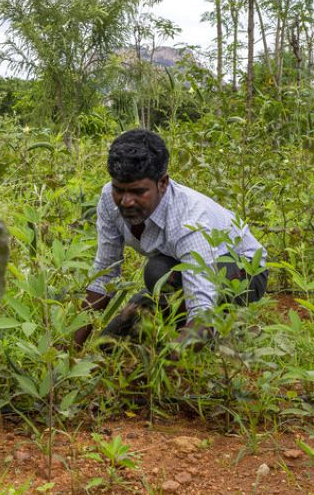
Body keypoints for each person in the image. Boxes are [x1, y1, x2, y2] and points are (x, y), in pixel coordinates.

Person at [72, 129, 268, 347]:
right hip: (177, 266)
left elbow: (201, 306)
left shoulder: (189, 220)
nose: (126, 201)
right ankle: (160, 310)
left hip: (244, 269)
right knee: (109, 344)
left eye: (138, 192)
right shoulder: (109, 200)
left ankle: (221, 328)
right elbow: (105, 272)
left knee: (158, 274)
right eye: (120, 190)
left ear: (162, 183)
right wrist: (71, 343)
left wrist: (169, 357)